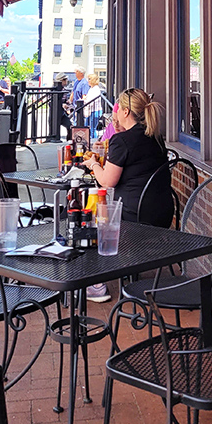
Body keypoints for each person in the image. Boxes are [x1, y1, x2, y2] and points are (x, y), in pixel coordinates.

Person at [84, 88, 173, 303]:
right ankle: (125, 267)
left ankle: (96, 284)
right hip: (162, 213)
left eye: (117, 108)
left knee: (85, 216)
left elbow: (107, 181)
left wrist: (93, 164)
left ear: (125, 112)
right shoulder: (156, 137)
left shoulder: (122, 141)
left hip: (132, 216)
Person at [82, 73, 103, 139]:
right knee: (88, 127)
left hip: (95, 110)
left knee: (92, 129)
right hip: (91, 110)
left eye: (89, 79)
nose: (88, 81)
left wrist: (85, 100)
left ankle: (94, 140)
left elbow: (92, 100)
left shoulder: (96, 89)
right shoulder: (91, 88)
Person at [54, 73, 72, 139]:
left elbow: (65, 100)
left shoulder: (64, 89)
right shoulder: (54, 89)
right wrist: (62, 105)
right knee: (54, 131)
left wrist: (68, 103)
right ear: (62, 80)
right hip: (54, 114)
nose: (67, 81)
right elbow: (52, 102)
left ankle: (69, 140)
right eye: (65, 80)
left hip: (62, 113)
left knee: (70, 126)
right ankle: (55, 139)